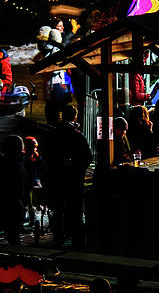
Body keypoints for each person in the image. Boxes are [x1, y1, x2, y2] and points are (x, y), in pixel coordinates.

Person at [46, 104, 92, 248]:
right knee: (75, 209)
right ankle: (76, 239)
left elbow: (47, 155)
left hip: (57, 176)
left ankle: (58, 237)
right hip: (74, 178)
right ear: (75, 117)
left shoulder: (53, 134)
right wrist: (78, 169)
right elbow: (88, 156)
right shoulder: (77, 135)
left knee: (58, 208)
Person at [0, 136, 25, 245]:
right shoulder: (20, 161)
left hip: (6, 200)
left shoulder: (5, 161)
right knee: (14, 235)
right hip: (16, 200)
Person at [23, 136, 44, 232]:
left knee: (32, 203)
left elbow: (42, 168)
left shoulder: (36, 156)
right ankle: (28, 219)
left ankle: (32, 220)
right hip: (26, 182)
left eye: (35, 147)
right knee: (27, 202)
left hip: (34, 182)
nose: (34, 149)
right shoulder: (24, 157)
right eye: (32, 146)